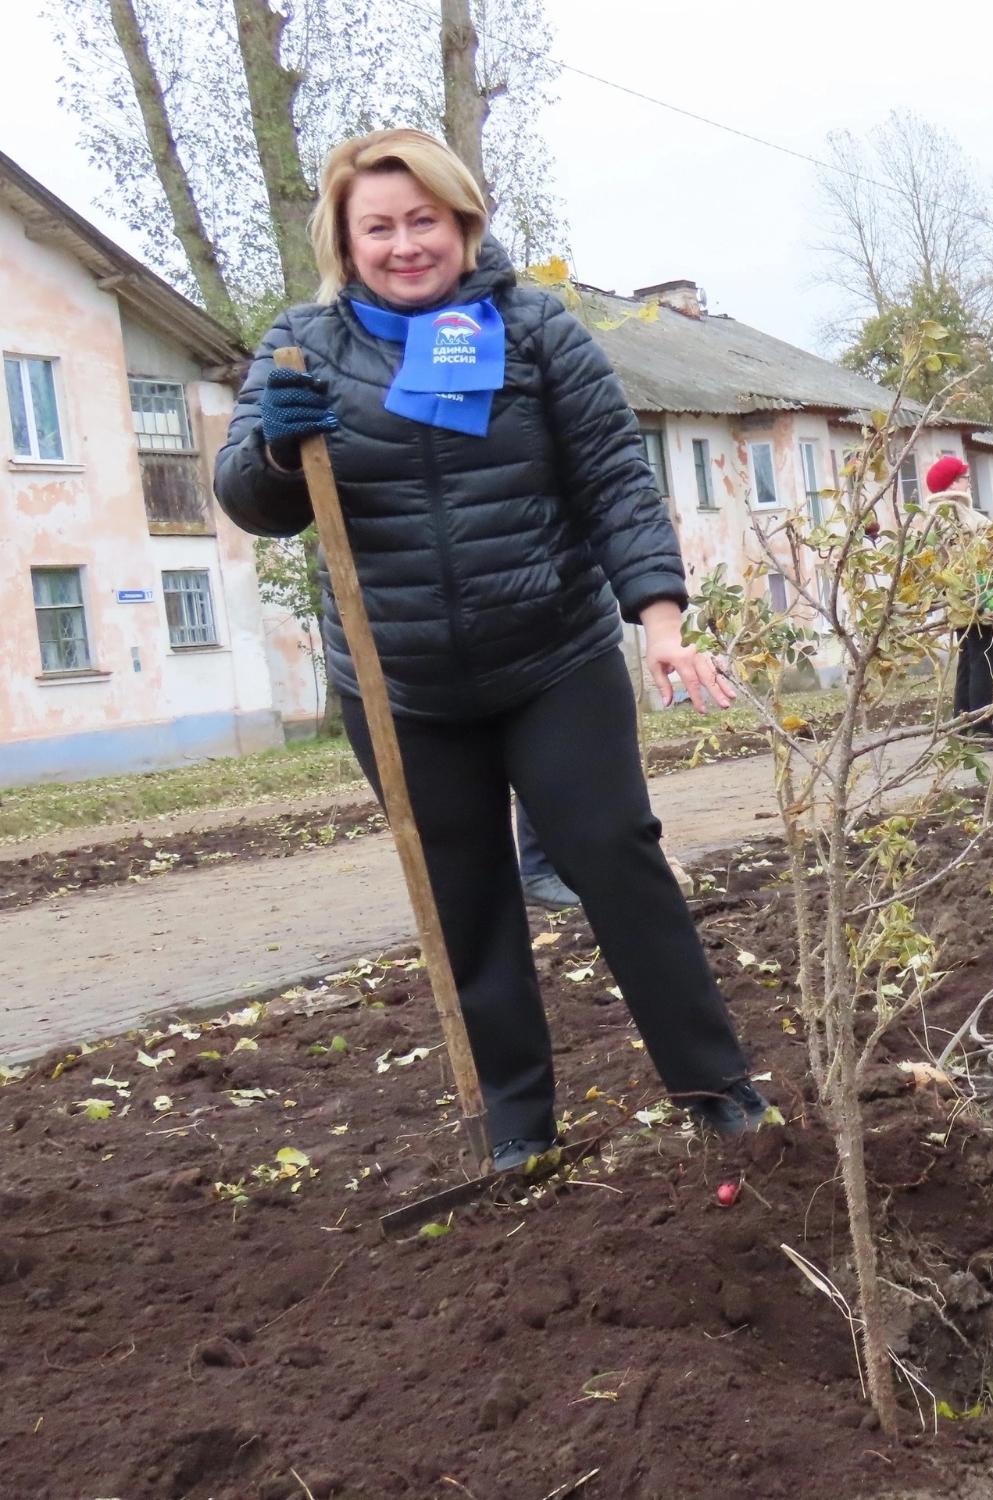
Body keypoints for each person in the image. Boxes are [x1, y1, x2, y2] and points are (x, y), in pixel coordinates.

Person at [214, 128, 769, 1169]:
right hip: (397, 682)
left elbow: (613, 480)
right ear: (344, 238)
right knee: (462, 895)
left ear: (463, 222)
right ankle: (518, 1131)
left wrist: (658, 623)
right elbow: (253, 502)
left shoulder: (533, 330)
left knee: (613, 856)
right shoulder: (302, 345)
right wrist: (274, 448)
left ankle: (719, 1091)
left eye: (423, 219)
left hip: (550, 653)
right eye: (377, 226)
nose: (403, 244)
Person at [925, 455, 993, 738]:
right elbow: (967, 554)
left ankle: (962, 723)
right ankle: (981, 727)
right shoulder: (952, 512)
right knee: (984, 658)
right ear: (952, 483)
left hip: (961, 597)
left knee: (970, 657)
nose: (969, 483)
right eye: (964, 478)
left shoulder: (940, 513)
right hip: (973, 596)